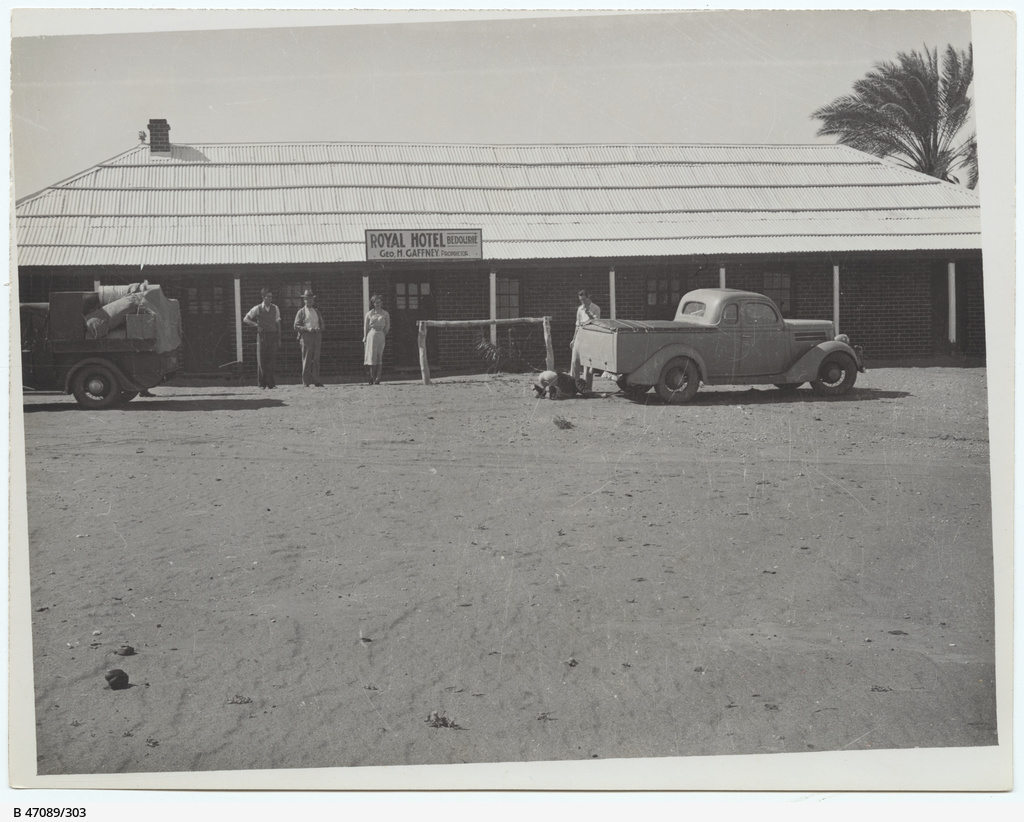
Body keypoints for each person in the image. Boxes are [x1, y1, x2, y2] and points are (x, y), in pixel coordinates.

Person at [243, 287, 281, 389]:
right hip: (262, 336)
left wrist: (279, 338)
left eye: (271, 296)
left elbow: (278, 323)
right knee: (261, 359)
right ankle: (262, 384)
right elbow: (246, 319)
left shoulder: (275, 308)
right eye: (268, 296)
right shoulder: (257, 308)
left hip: (272, 335)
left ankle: (271, 384)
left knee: (271, 360)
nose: (270, 298)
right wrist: (256, 325)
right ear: (263, 297)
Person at [570, 289, 600, 393]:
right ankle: (574, 386)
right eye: (581, 300)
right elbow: (577, 325)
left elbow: (596, 323)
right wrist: (573, 339)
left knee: (588, 363)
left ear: (589, 297)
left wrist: (589, 314)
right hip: (579, 335)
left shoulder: (596, 308)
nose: (582, 302)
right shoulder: (580, 309)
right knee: (575, 361)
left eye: (584, 299)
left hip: (590, 336)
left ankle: (587, 388)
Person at [293, 289, 325, 387]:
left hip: (317, 335)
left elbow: (323, 324)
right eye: (307, 299)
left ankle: (316, 380)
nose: (309, 300)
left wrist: (319, 328)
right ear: (304, 300)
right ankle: (306, 381)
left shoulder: (317, 311)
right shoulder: (301, 312)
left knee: (316, 359)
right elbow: (296, 326)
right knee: (307, 358)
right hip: (306, 336)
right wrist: (307, 329)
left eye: (311, 298)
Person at [363, 294, 391, 385]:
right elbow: (366, 327)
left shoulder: (385, 314)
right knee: (372, 356)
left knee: (379, 356)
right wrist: (365, 337)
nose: (378, 304)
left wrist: (382, 334)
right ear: (373, 304)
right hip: (371, 336)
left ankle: (378, 378)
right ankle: (372, 377)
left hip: (381, 335)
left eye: (379, 302)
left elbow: (387, 327)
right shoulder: (369, 314)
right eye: (376, 302)